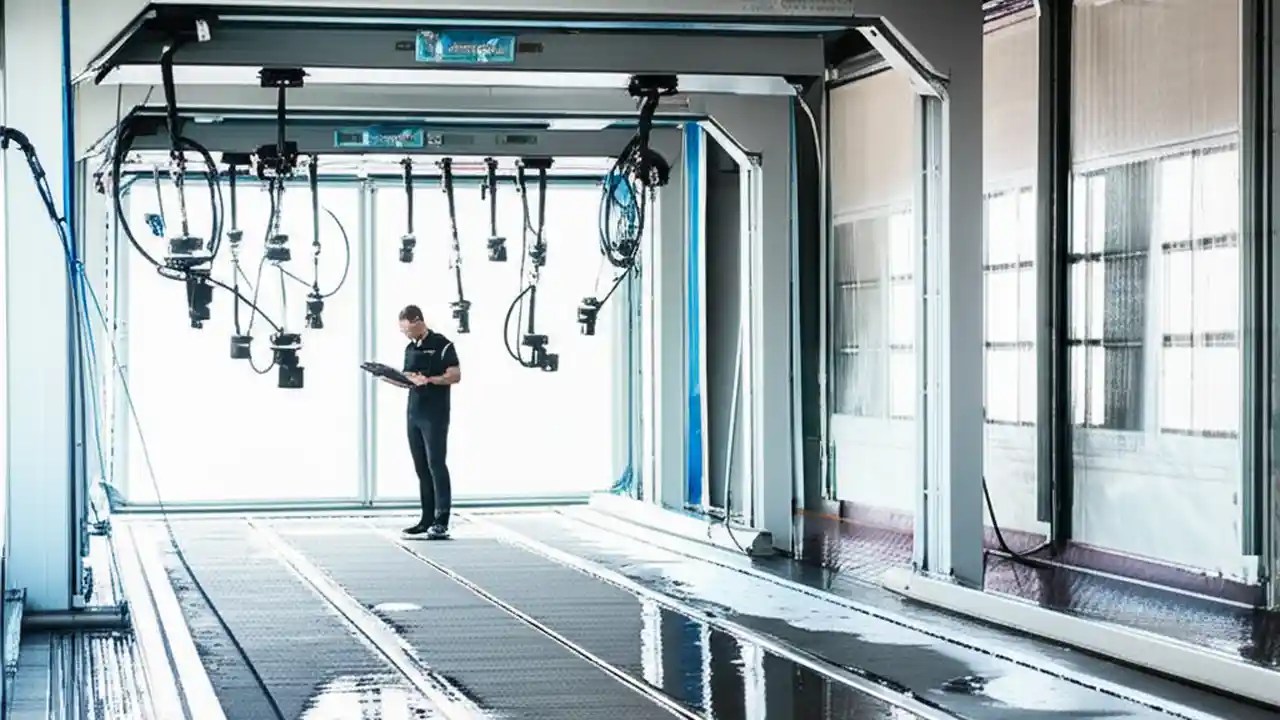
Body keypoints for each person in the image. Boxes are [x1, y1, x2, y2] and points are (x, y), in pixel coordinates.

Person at [386, 305, 461, 539]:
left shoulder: (442, 344)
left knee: (436, 464)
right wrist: (393, 378)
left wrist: (429, 380)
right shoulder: (410, 348)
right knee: (421, 467)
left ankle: (442, 519)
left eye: (407, 329)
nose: (406, 335)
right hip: (414, 412)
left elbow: (455, 375)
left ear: (418, 321)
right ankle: (426, 518)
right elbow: (409, 378)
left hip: (435, 413)